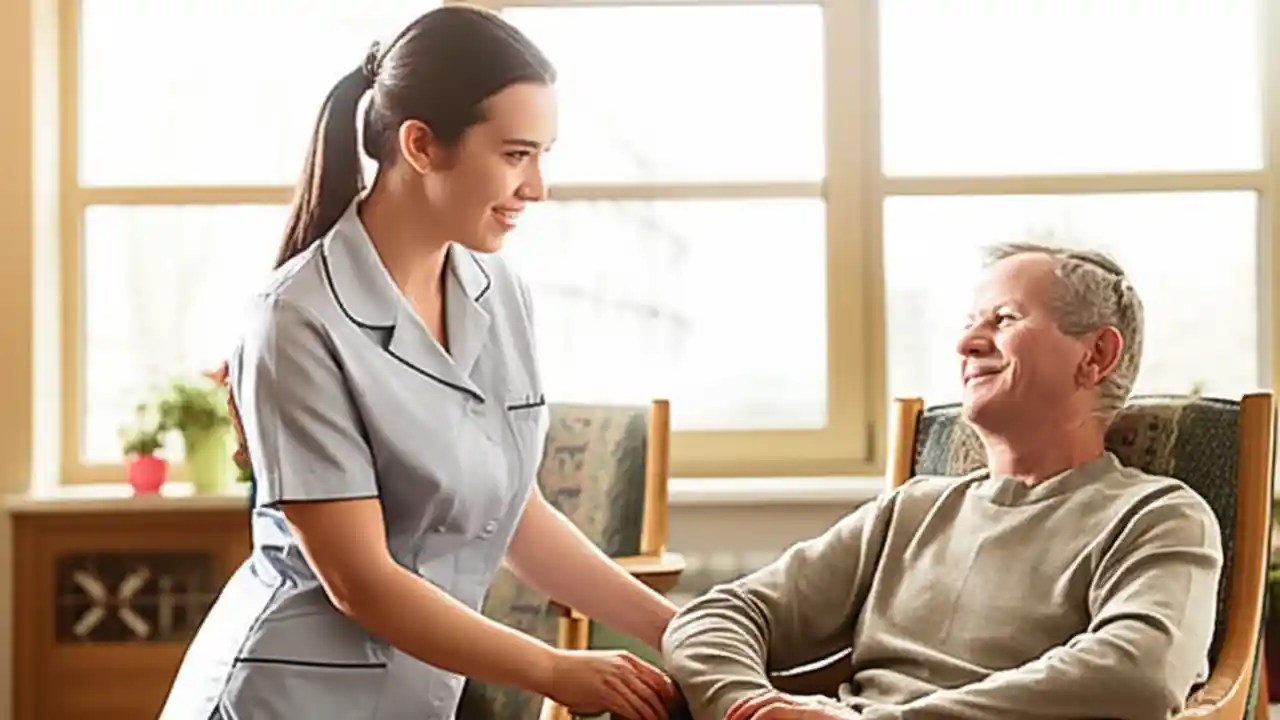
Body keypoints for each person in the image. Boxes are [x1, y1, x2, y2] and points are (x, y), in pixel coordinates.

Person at [160, 6, 679, 719]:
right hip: (283, 700)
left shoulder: (500, 293)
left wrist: (675, 630)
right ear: (422, 145)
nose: (538, 187)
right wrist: (554, 671)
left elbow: (512, 512)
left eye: (542, 154)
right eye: (516, 154)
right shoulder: (294, 320)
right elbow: (360, 582)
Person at [661, 243, 1224, 720]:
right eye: (969, 324)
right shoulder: (910, 511)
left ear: (1096, 355)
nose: (968, 343)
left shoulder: (1161, 517)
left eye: (1003, 319)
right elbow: (715, 618)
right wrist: (750, 706)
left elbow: (1139, 674)